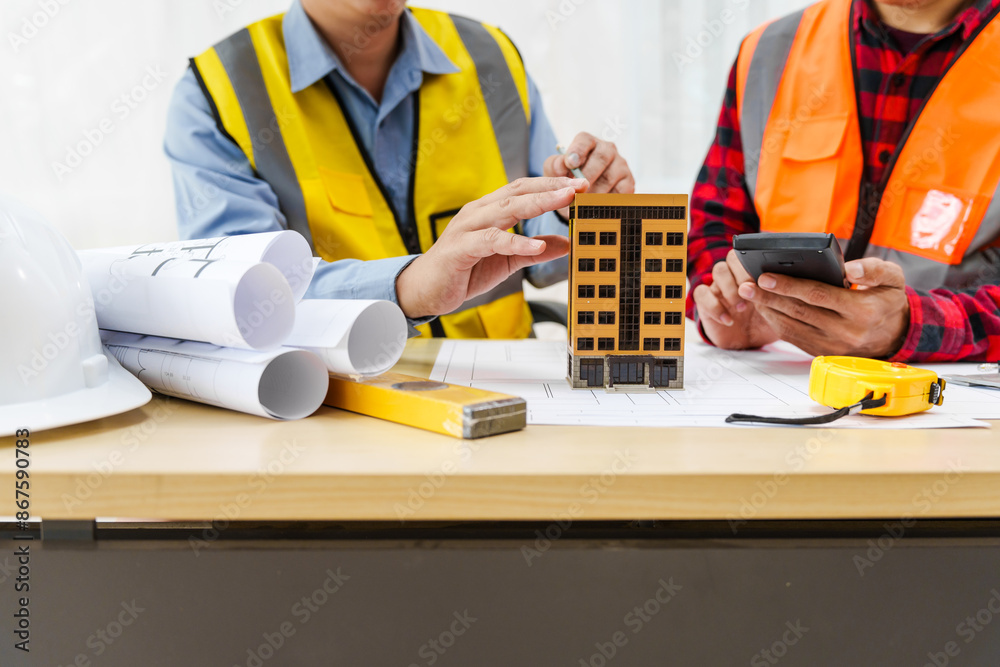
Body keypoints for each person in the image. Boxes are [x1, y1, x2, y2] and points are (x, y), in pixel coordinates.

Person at [165, 0, 633, 338]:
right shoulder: (219, 90)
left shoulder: (491, 56)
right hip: (335, 401)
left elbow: (543, 251)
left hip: (504, 390)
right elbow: (247, 299)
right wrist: (408, 288)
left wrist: (585, 212)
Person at [687, 0, 1000, 362]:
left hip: (957, 400)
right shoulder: (770, 49)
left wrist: (911, 326)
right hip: (780, 386)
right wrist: (729, 307)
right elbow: (716, 222)